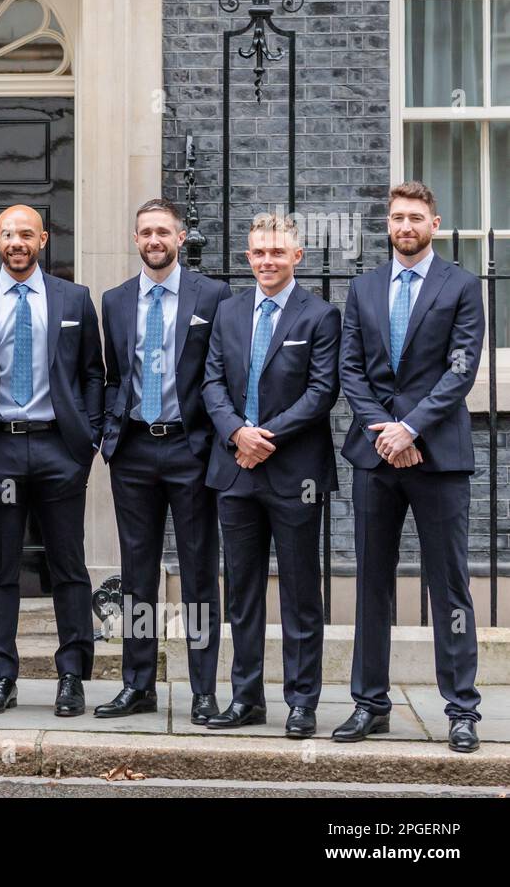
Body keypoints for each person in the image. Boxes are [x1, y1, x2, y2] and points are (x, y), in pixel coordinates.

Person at [334, 181, 484, 754]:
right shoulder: (364, 287)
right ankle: (370, 704)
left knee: (449, 586)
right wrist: (387, 433)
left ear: (435, 224)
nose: (405, 226)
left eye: (416, 217)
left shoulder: (462, 286)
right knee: (373, 583)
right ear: (388, 224)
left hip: (438, 457)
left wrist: (411, 428)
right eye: (397, 217)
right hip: (377, 455)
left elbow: (461, 370)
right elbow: (352, 371)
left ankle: (461, 709)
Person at [0, 204, 104, 718]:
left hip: (58, 447)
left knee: (68, 564)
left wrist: (89, 436)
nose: (17, 242)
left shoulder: (74, 299)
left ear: (43, 238)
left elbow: (93, 372)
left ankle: (71, 676)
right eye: (8, 234)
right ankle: (0, 676)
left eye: (27, 234)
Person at [201, 213, 340, 739]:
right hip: (235, 470)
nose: (267, 261)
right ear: (248, 256)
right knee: (242, 592)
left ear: (297, 256)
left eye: (277, 253)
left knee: (301, 593)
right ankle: (246, 697)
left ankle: (302, 701)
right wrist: (238, 434)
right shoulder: (229, 310)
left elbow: (322, 393)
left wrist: (264, 438)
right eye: (259, 253)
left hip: (294, 473)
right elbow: (210, 382)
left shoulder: (320, 316)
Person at [95, 198, 228, 724]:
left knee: (198, 572)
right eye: (146, 232)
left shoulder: (211, 295)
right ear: (136, 240)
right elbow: (111, 374)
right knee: (137, 575)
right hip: (132, 449)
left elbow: (222, 371)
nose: (154, 241)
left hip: (188, 448)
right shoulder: (116, 300)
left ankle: (201, 690)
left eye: (163, 232)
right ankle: (138, 684)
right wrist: (109, 431)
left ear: (180, 237)